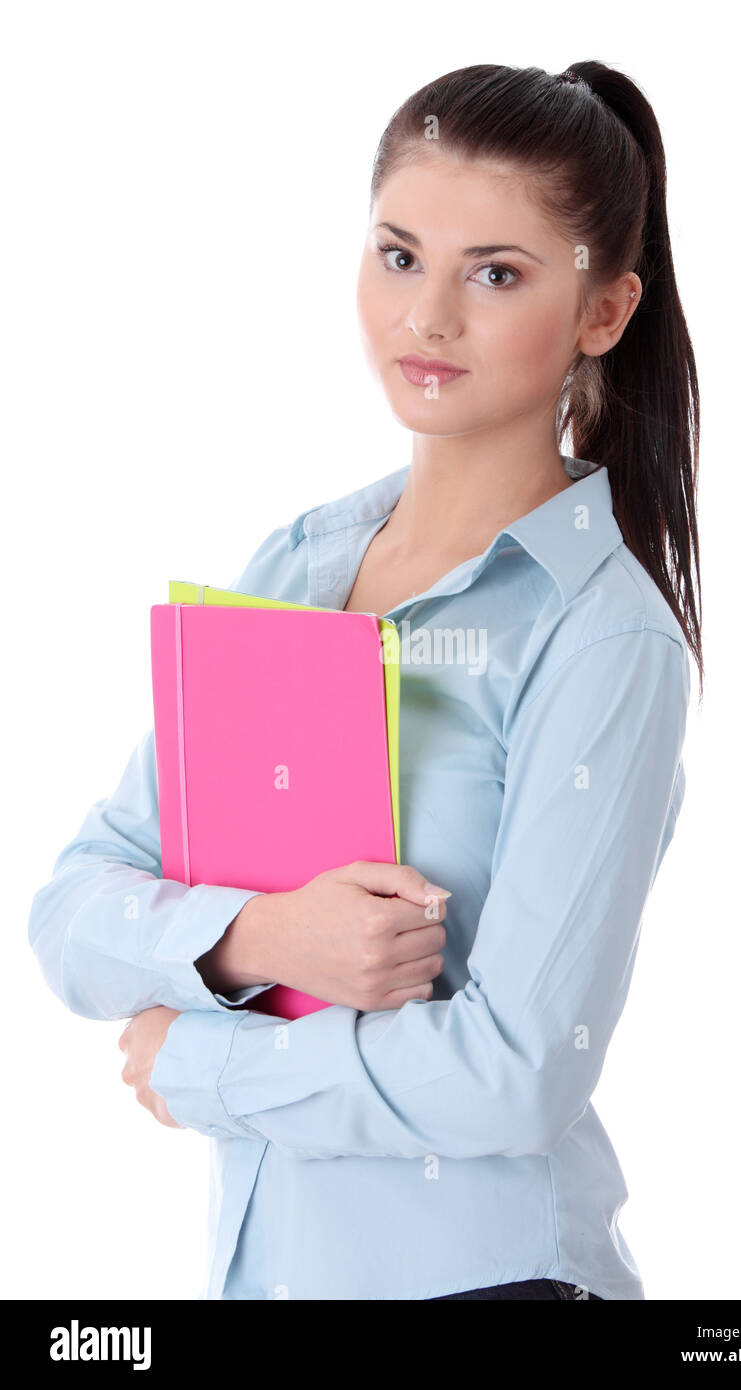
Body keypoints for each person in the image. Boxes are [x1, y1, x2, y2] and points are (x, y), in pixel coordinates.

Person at [28, 58, 701, 1301]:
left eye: (494, 274)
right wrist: (258, 938)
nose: (425, 318)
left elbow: (517, 1073)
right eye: (399, 256)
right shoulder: (294, 566)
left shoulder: (602, 640)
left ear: (603, 313)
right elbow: (73, 909)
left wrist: (200, 1068)